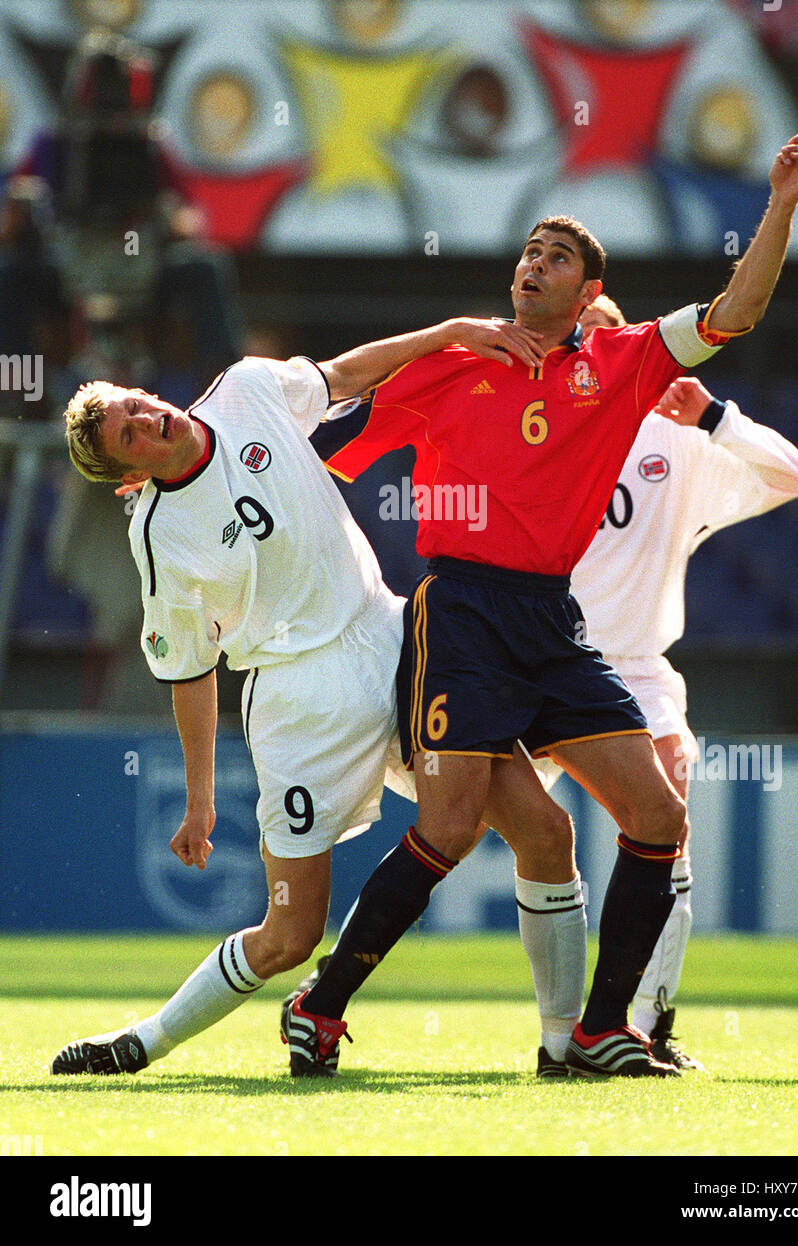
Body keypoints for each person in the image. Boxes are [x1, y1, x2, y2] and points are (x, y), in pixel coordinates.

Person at [286, 132, 798, 1080]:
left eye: (559, 256)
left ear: (588, 296)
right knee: (451, 829)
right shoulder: (445, 371)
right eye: (529, 251)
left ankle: (600, 1029)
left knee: (658, 817)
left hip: (553, 621)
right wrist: (204, 499)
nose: (535, 263)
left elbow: (737, 308)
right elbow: (316, 465)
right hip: (461, 614)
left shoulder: (624, 361)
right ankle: (320, 1005)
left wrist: (781, 205)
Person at [49, 313, 552, 1076]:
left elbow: (345, 374)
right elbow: (189, 671)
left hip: (389, 638)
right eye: (130, 435)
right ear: (130, 475)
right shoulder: (157, 537)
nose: (149, 417)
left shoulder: (248, 390)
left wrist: (448, 331)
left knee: (539, 830)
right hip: (299, 700)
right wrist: (198, 800)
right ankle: (144, 1041)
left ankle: (571, 1040)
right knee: (289, 934)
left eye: (139, 402)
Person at [569, 294, 798, 1069]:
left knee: (670, 818)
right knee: (461, 824)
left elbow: (795, 475)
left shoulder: (670, 439)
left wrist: (716, 419)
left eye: (615, 337)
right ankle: (338, 986)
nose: (599, 352)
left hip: (636, 669)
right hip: (535, 660)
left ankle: (647, 1022)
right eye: (586, 339)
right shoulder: (534, 425)